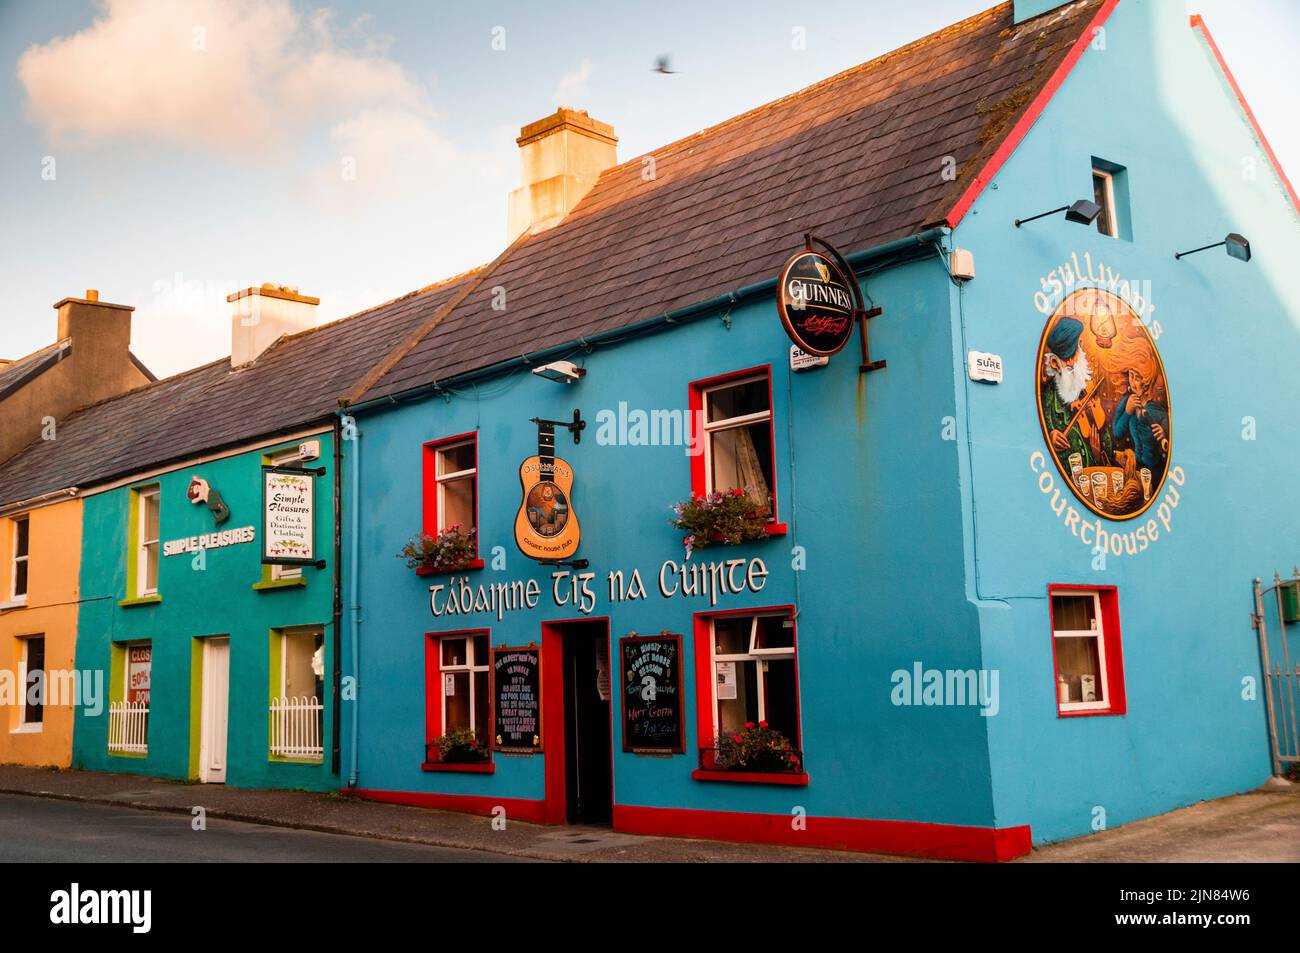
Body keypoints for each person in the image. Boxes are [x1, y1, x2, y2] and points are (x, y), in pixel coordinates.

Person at [1041, 317, 1111, 468]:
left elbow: (1108, 451)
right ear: (1055, 363)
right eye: (1067, 359)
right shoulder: (1048, 396)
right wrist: (1051, 435)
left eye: (1074, 354)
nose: (1072, 363)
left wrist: (1098, 453)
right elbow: (1043, 427)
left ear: (1081, 346)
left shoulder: (1087, 392)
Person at [1112, 362, 1169, 473]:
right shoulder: (1127, 401)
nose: (1133, 384)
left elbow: (1169, 432)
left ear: (1146, 380)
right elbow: (1117, 433)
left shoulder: (1156, 408)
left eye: (1137, 378)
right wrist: (1127, 412)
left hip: (1155, 470)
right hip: (1135, 466)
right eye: (1131, 376)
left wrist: (1164, 433)